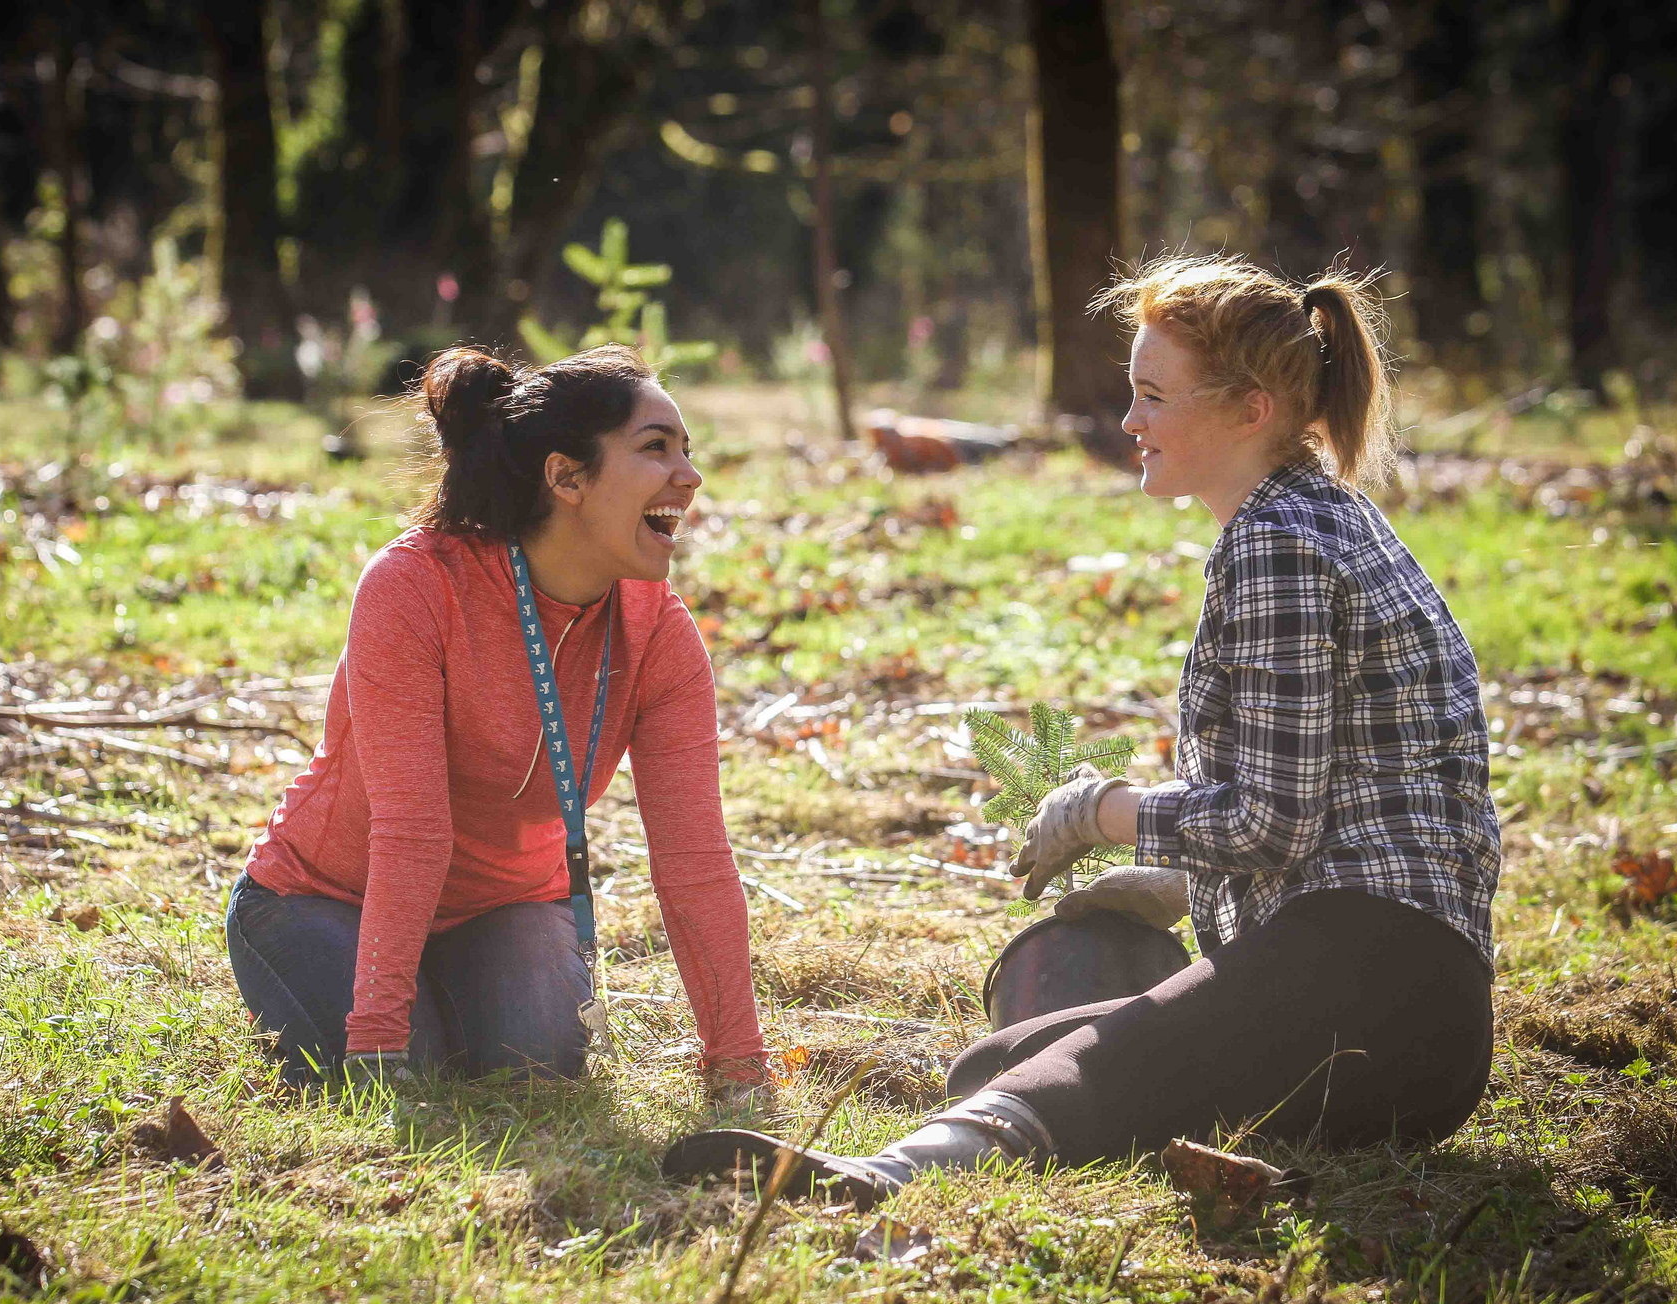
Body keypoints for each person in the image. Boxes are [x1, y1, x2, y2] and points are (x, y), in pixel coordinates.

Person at [664, 254, 1501, 1206]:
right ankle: (1076, 1081)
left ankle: (881, 1176)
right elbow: (1335, 794)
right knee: (998, 1056)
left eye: (1153, 396)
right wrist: (1187, 876)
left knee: (1097, 1066)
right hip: (1359, 975)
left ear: (1250, 409)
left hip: (1379, 985)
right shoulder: (1307, 517)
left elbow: (1277, 824)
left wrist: (1106, 811)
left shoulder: (1279, 543)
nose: (1131, 421)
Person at [227, 343, 769, 1101]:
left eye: (688, 450)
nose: (689, 475)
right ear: (566, 476)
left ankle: (442, 998)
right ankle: (394, 1005)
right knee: (404, 1074)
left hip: (504, 906)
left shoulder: (661, 636)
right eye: (656, 448)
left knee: (536, 1063)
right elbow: (412, 828)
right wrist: (382, 1040)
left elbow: (696, 860)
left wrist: (738, 1067)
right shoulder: (414, 586)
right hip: (325, 894)